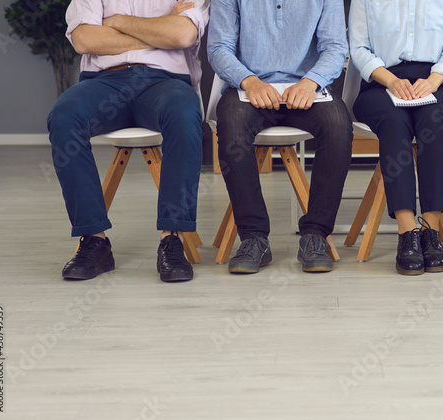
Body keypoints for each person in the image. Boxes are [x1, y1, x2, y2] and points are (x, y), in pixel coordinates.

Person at [48, 0, 209, 282]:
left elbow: (181, 36)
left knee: (185, 114)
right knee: (63, 116)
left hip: (165, 82)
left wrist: (117, 22)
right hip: (104, 82)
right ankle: (94, 240)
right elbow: (85, 40)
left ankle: (172, 239)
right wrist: (158, 32)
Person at [208, 0, 354, 274]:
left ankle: (316, 235)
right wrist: (249, 81)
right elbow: (218, 48)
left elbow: (334, 47)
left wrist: (310, 82)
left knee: (337, 125)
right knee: (232, 124)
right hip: (250, 88)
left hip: (307, 88)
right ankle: (253, 238)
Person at [348, 0, 443, 275]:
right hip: (382, 83)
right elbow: (359, 47)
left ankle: (430, 230)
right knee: (393, 121)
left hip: (436, 80)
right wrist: (390, 81)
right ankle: (407, 232)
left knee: (434, 121)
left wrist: (434, 81)